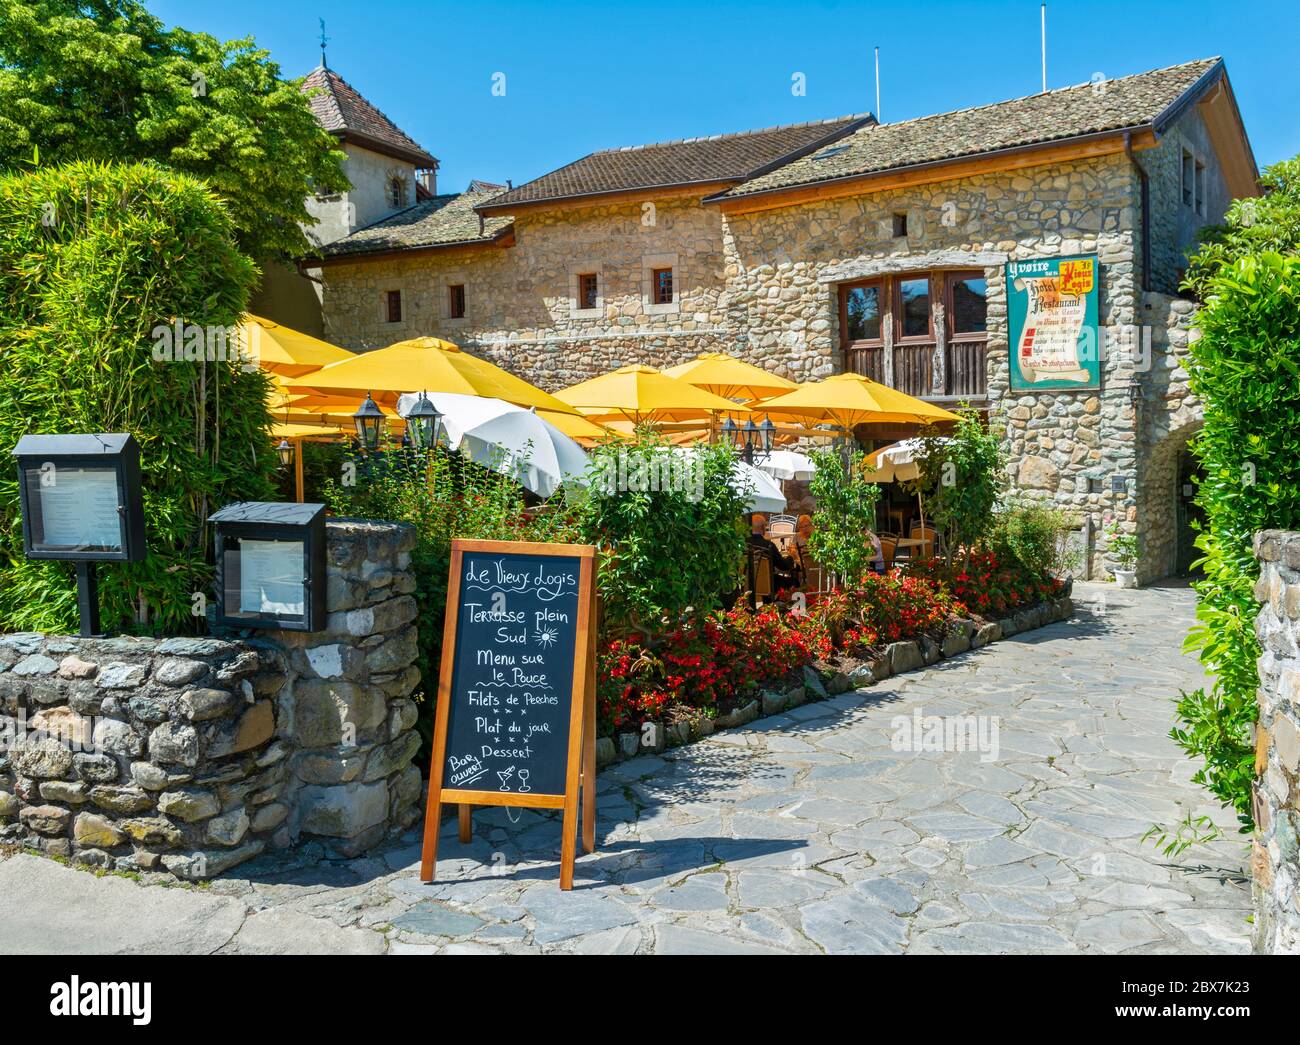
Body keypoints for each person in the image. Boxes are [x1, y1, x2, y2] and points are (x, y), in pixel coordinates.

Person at [749, 515, 800, 591]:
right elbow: (784, 566)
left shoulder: (744, 544)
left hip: (748, 585)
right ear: (763, 528)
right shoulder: (768, 545)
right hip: (768, 584)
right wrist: (791, 556)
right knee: (794, 582)